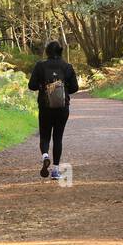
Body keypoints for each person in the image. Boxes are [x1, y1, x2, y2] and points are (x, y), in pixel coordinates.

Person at [28, 40, 79, 181]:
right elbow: (75, 88)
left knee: (44, 136)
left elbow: (31, 86)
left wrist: (43, 86)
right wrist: (63, 87)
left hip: (45, 106)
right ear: (61, 51)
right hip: (62, 107)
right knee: (58, 137)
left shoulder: (40, 66)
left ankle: (45, 156)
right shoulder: (67, 67)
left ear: (47, 52)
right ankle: (56, 171)